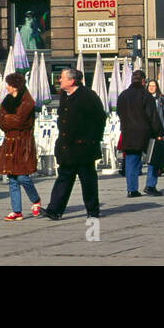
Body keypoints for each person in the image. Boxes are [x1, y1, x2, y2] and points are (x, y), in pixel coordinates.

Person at [42, 68, 107, 221]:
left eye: (62, 78)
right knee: (64, 178)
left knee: (88, 180)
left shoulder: (88, 96)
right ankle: (54, 210)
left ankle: (92, 210)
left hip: (83, 147)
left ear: (71, 81)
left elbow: (100, 118)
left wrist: (92, 139)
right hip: (67, 147)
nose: (59, 81)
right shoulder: (65, 95)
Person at [0, 72, 41, 219]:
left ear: (15, 86)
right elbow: (0, 120)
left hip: (22, 143)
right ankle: (17, 211)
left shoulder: (28, 102)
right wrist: (8, 119)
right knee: (12, 178)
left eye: (8, 84)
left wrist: (7, 119)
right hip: (9, 142)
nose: (6, 87)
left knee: (22, 176)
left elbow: (20, 121)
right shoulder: (7, 100)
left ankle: (35, 199)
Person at [118, 69, 164, 198]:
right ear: (143, 81)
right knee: (153, 159)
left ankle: (132, 190)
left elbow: (119, 113)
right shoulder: (146, 96)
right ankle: (150, 186)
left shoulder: (123, 95)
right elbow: (152, 116)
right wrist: (159, 133)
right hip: (145, 133)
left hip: (128, 132)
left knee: (131, 161)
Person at [145, 79, 164, 180]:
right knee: (151, 148)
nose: (151, 88)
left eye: (154, 86)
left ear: (157, 87)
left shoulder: (161, 98)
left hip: (161, 126)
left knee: (160, 148)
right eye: (150, 86)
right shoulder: (145, 98)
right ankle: (153, 167)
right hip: (149, 128)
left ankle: (160, 167)